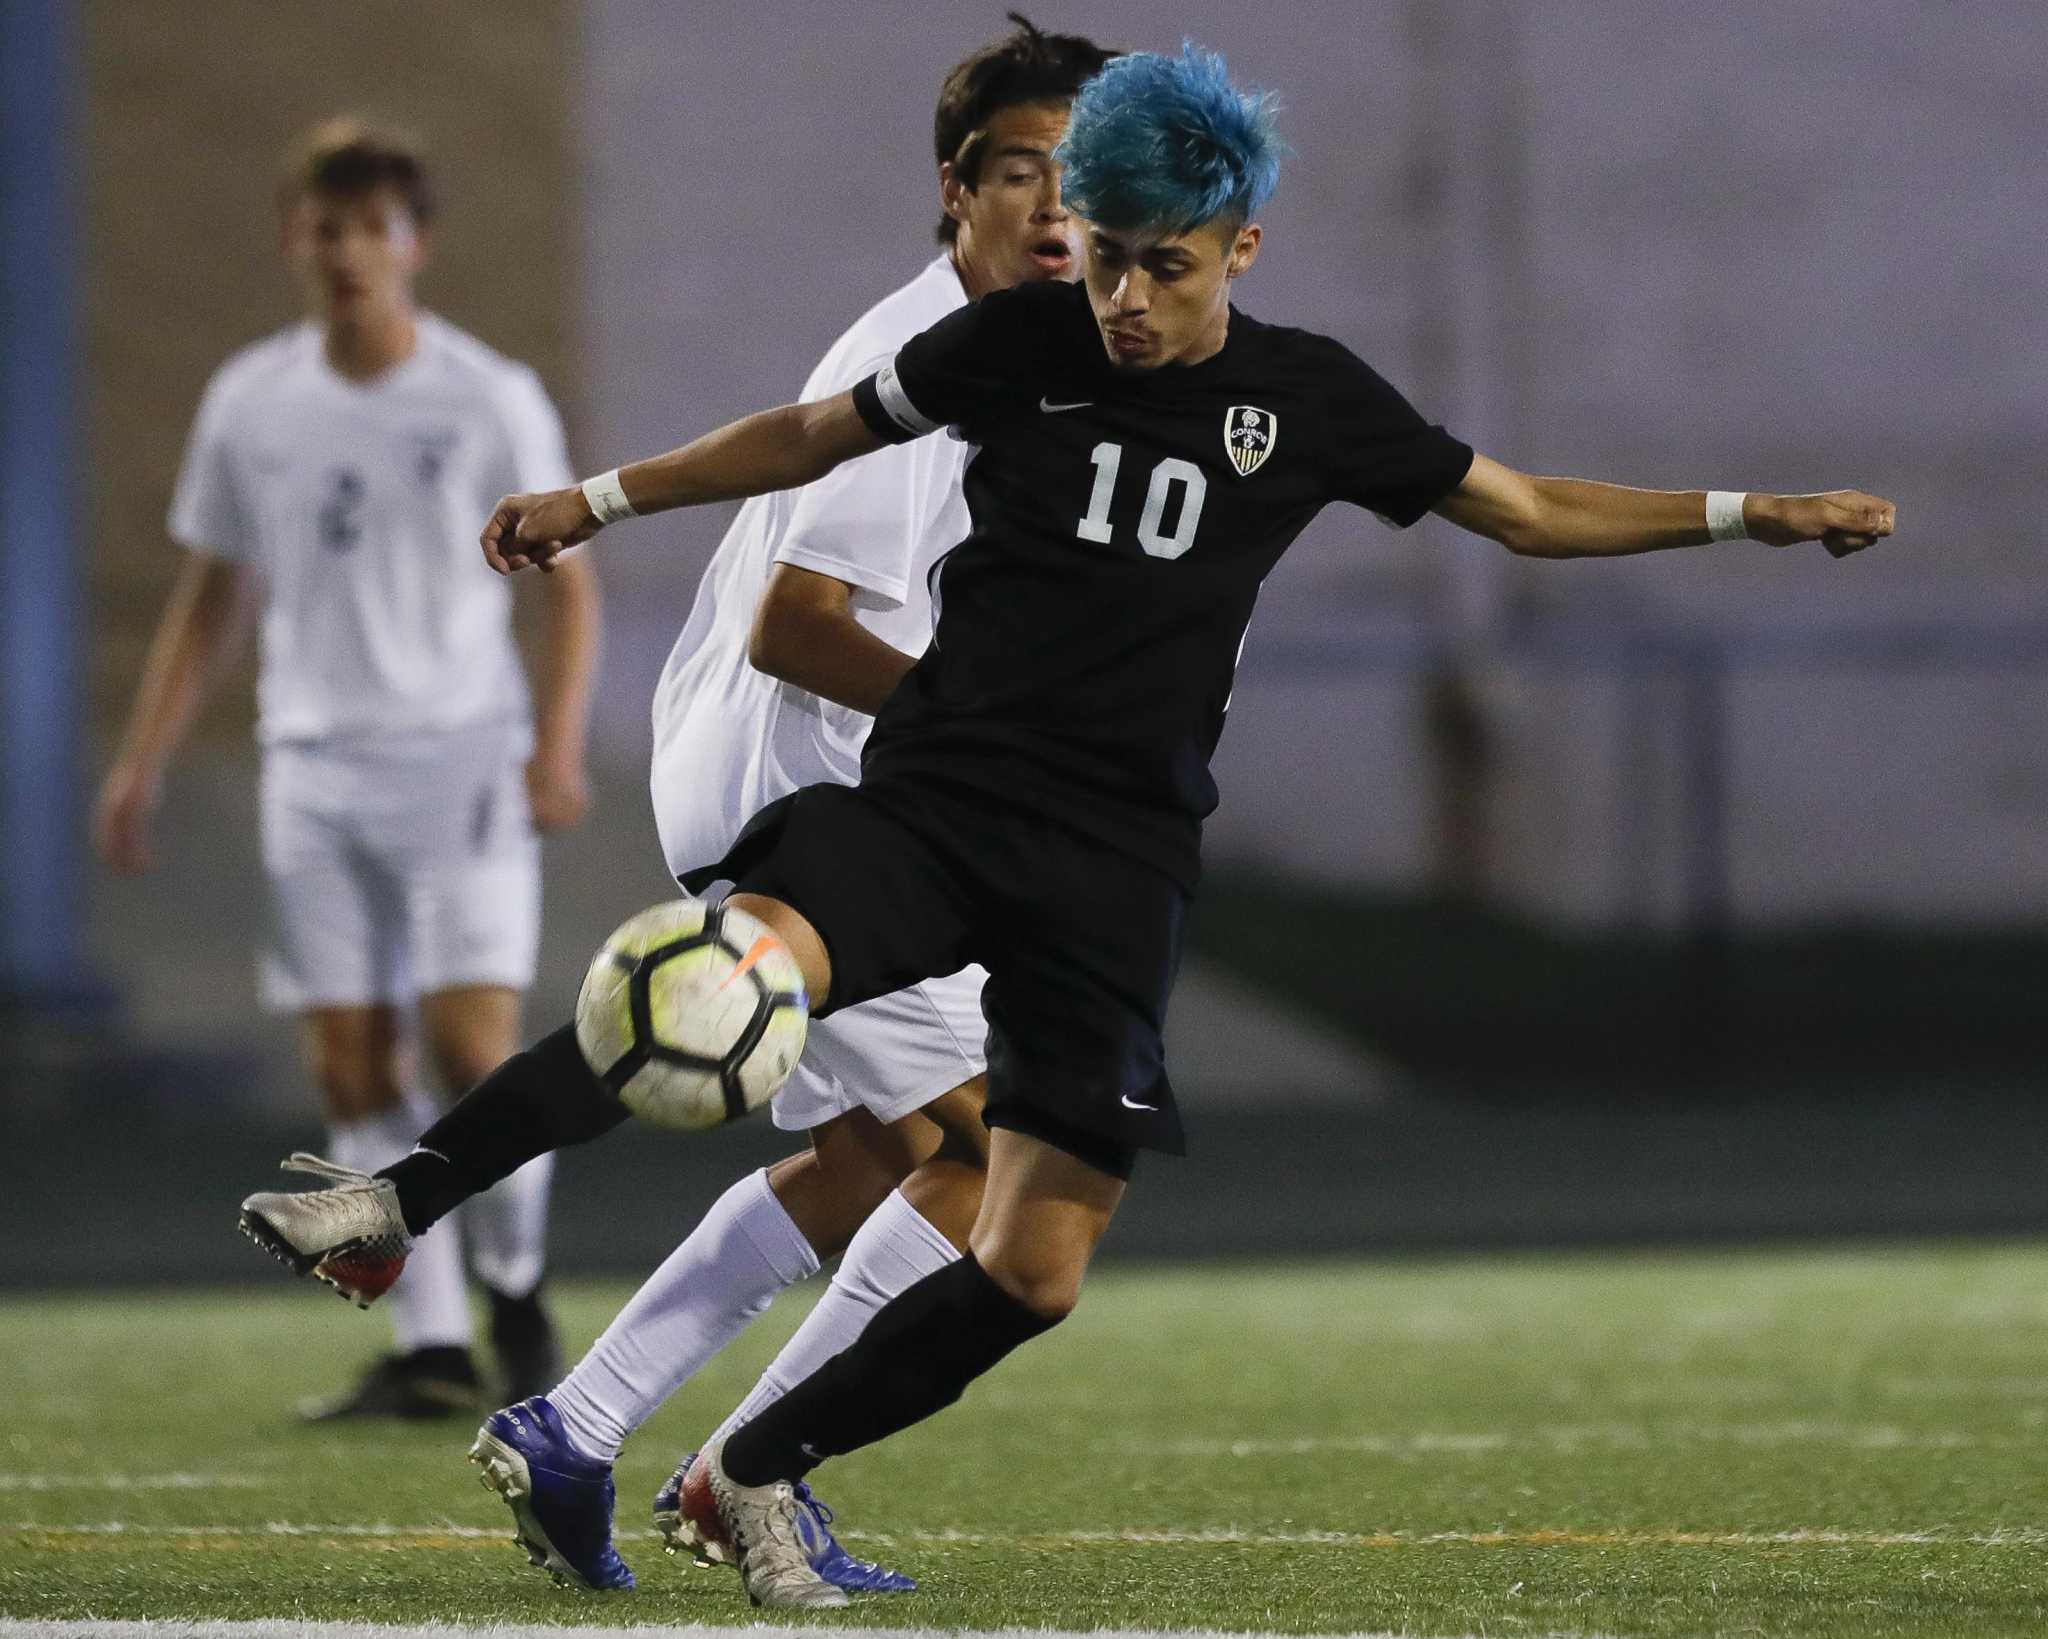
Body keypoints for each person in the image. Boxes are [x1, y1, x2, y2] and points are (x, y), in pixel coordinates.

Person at [278, 42, 1894, 1610]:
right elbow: (808, 436)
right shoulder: (1014, 341)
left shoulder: (1310, 397)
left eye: (1160, 265)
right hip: (939, 803)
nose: (1121, 293)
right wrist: (598, 500)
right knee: (715, 979)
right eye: (1105, 254)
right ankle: (396, 1202)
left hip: (1114, 865)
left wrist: (1753, 514)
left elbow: (1525, 510)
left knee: (1033, 1268)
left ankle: (755, 1465)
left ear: (1240, 249)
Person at [240, 16, 1114, 1595]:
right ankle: (734, 1470)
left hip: (793, 776)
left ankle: (568, 1415)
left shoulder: (1010, 349)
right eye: (1023, 174)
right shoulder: (937, 355)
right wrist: (1006, 741)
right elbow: (800, 622)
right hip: (810, 782)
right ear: (956, 189)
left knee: (875, 1155)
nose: (1060, 209)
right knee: (1005, 1163)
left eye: (1088, 178)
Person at [103, 119, 600, 1420]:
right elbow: (213, 593)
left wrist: (556, 745)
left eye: (374, 228)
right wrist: (141, 762)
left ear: (415, 245)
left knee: (473, 1054)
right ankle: (430, 1347)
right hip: (311, 767)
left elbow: (568, 587)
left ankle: (516, 1289)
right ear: (293, 242)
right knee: (350, 1067)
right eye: (326, 229)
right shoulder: (251, 400)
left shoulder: (487, 395)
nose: (348, 253)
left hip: (461, 757)